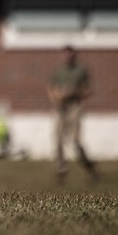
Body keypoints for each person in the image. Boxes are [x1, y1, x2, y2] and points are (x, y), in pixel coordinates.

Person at [46, 46, 99, 183]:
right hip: (60, 108)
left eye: (69, 54)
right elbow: (50, 88)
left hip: (74, 107)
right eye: (64, 54)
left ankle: (89, 168)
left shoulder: (80, 70)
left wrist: (74, 92)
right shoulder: (58, 71)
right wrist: (56, 96)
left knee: (75, 141)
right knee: (57, 139)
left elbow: (89, 89)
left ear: (74, 55)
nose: (66, 57)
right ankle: (61, 170)